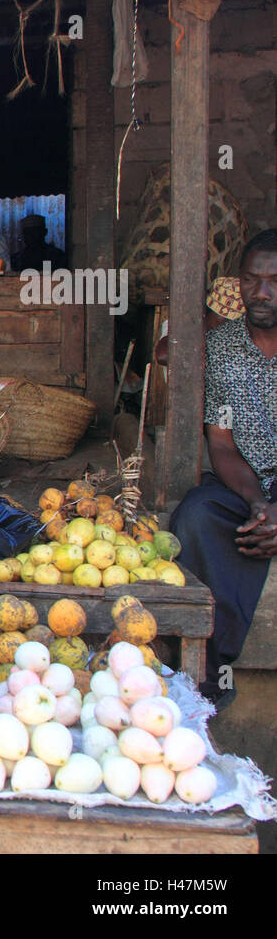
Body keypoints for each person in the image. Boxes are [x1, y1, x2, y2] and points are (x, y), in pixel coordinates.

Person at [169, 229, 277, 707]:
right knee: (195, 516)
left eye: (275, 280)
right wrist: (258, 504)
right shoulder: (223, 347)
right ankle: (204, 675)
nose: (262, 292)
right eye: (252, 279)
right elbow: (222, 441)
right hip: (244, 483)